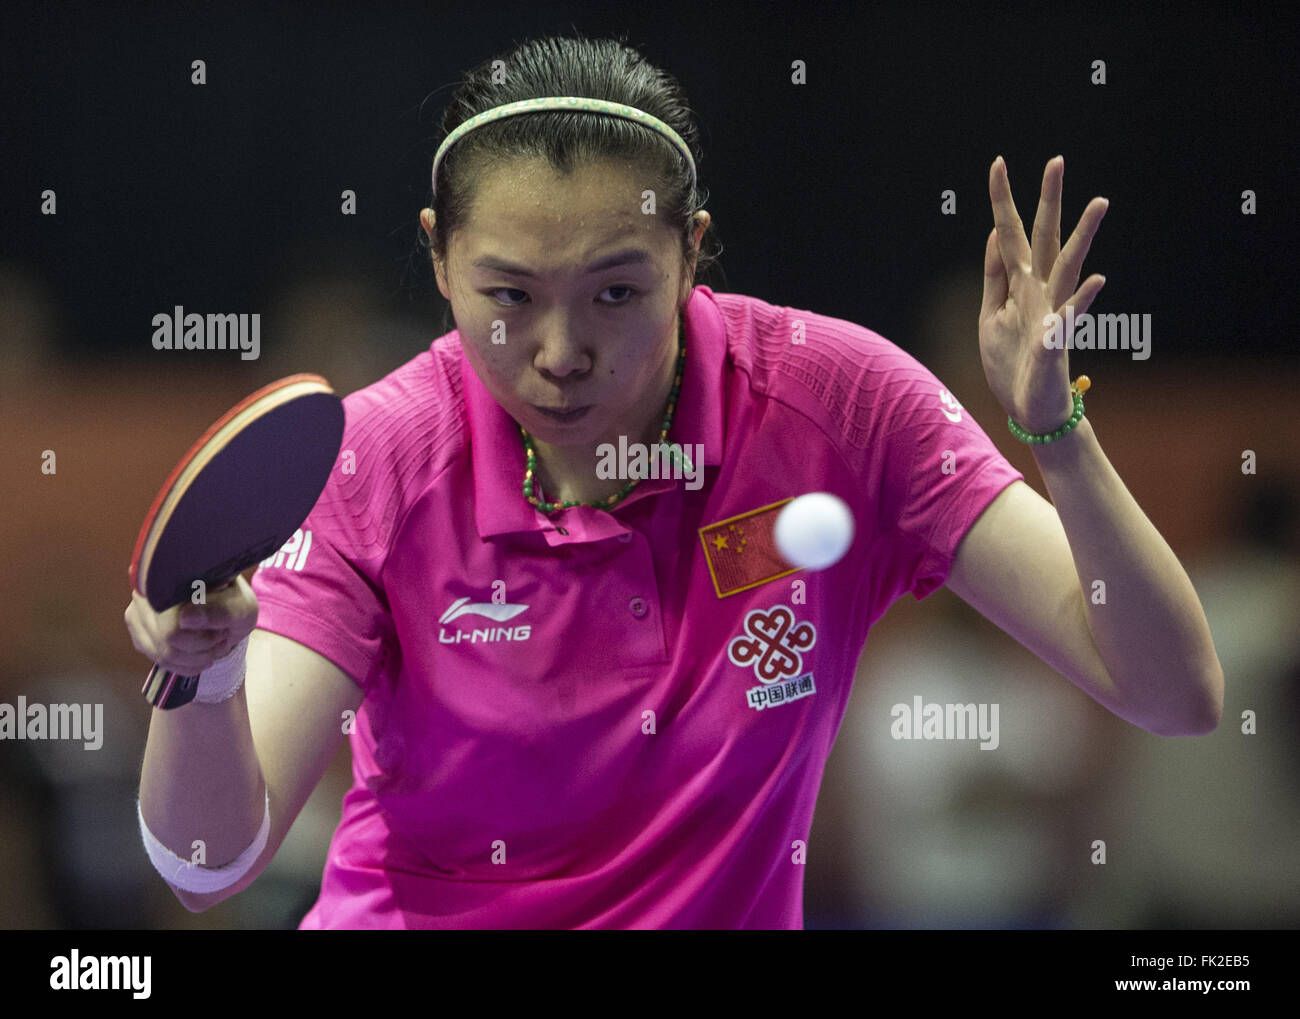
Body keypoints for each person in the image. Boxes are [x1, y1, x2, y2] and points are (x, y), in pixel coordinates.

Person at [126, 32, 1225, 930]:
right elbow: (207, 867)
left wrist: (1056, 430)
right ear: (436, 257)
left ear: (692, 251)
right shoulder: (379, 461)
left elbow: (1174, 695)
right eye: (507, 292)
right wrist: (205, 680)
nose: (559, 350)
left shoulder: (839, 405)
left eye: (616, 293)